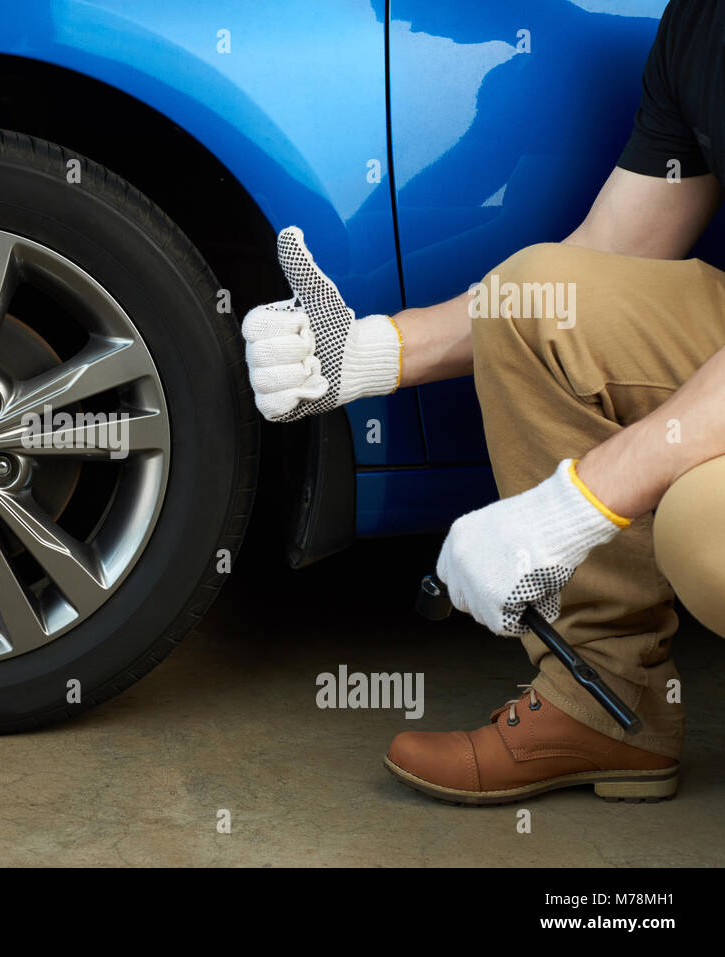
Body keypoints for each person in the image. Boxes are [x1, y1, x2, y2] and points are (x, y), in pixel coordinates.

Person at [243, 0, 725, 804]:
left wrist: (574, 506)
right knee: (534, 296)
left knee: (707, 530)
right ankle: (607, 708)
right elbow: (605, 257)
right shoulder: (700, 22)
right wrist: (373, 353)